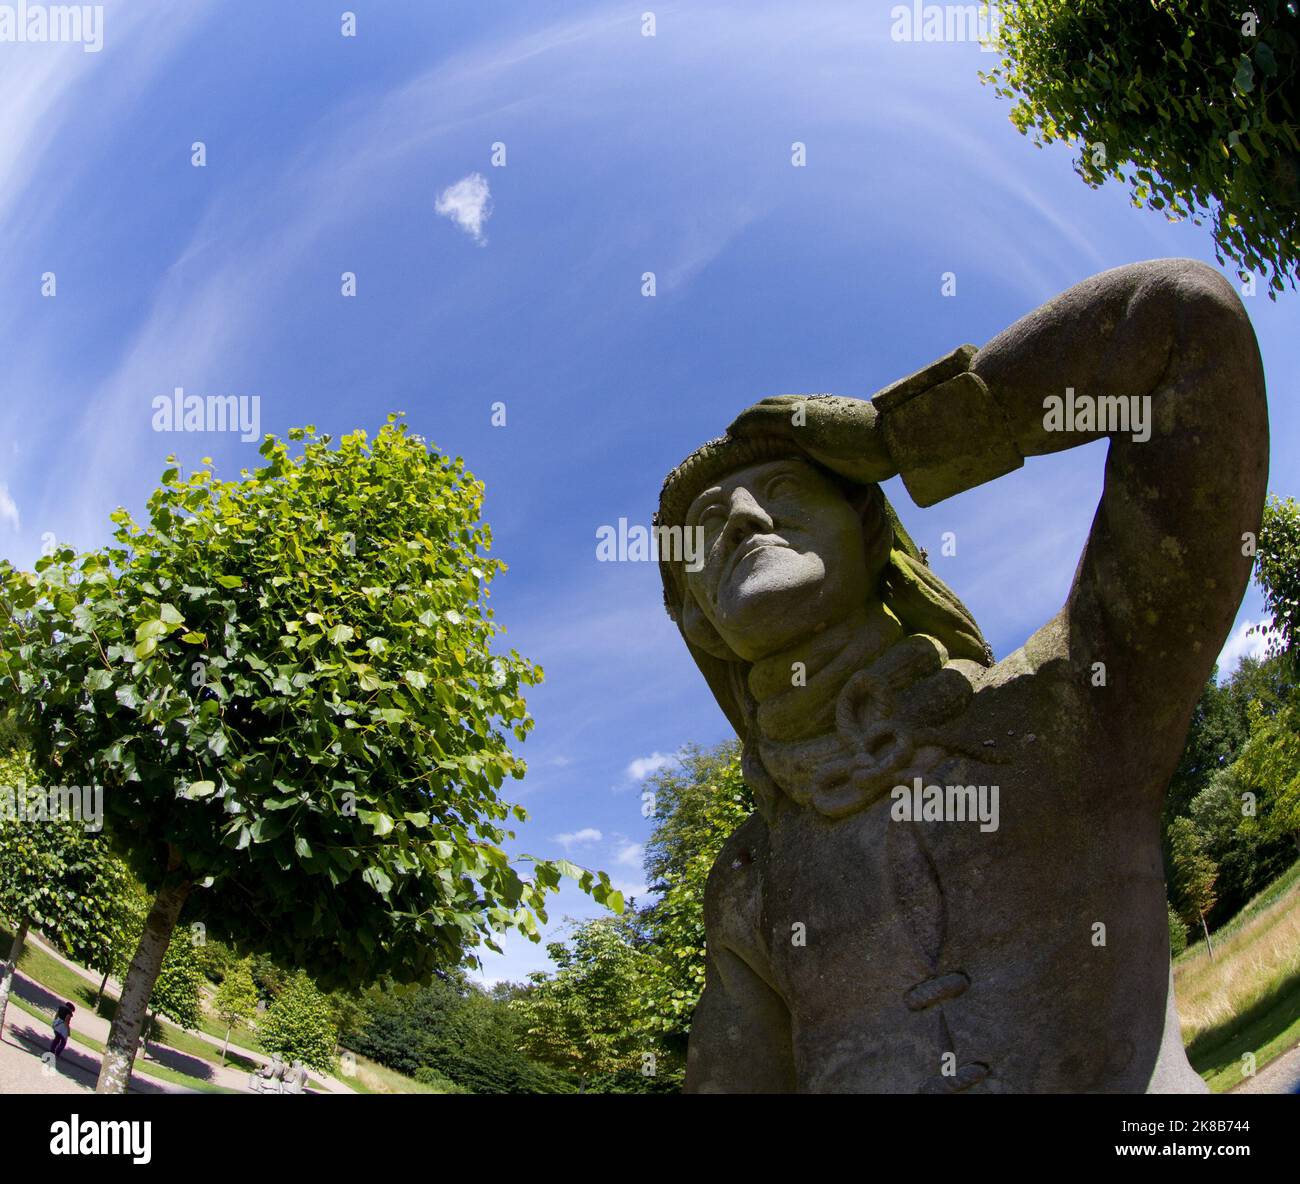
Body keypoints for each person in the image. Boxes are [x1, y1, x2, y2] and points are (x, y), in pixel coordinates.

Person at [657, 260, 1267, 1092]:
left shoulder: (1071, 703)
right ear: (699, 619)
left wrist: (901, 437)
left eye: (787, 488)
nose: (749, 522)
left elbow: (1182, 325)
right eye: (707, 526)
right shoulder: (750, 880)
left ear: (870, 533)